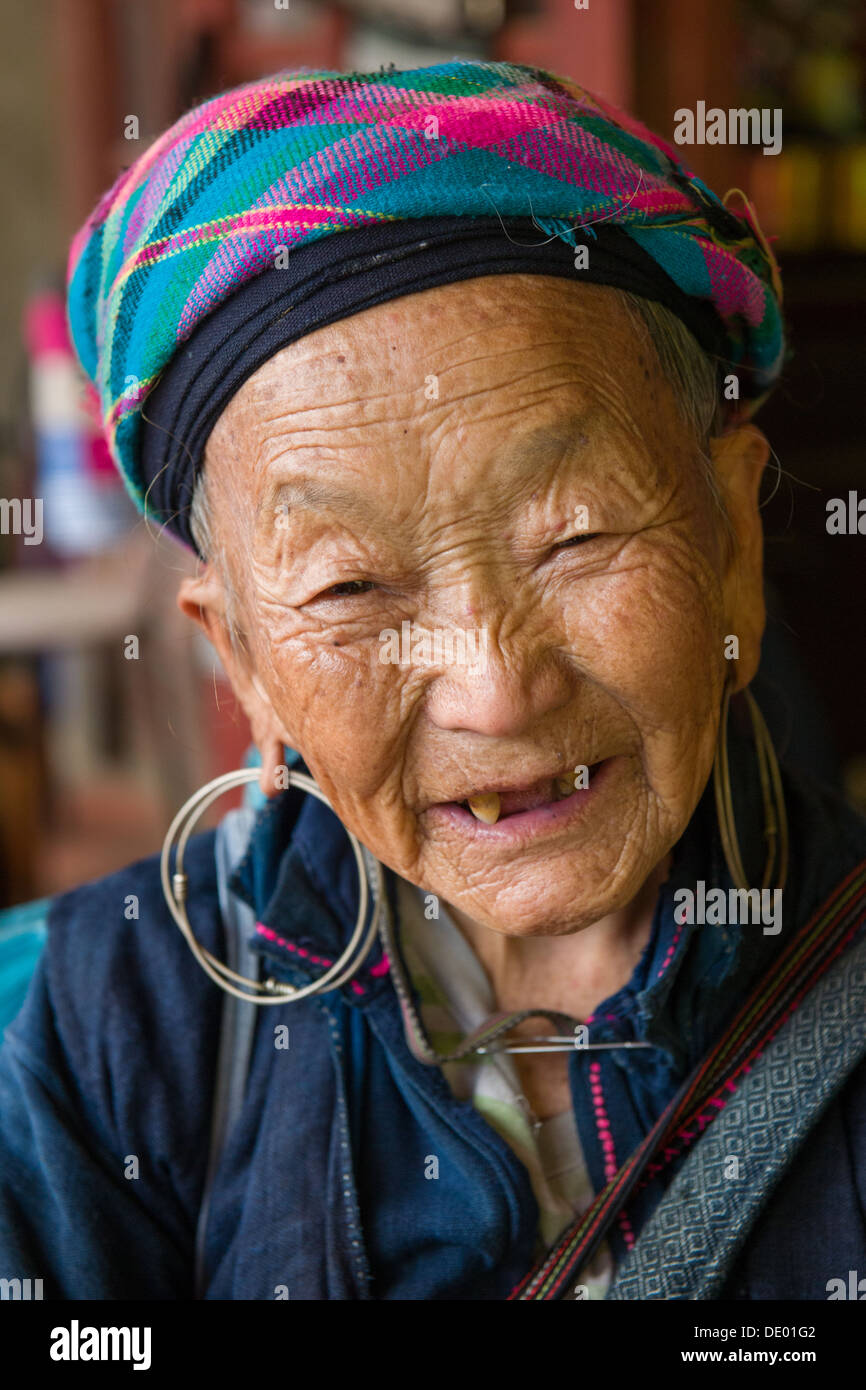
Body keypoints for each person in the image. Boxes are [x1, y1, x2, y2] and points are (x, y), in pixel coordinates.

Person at [1, 59, 864, 1302]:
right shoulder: (111, 1029)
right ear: (242, 656)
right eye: (351, 589)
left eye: (575, 535)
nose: (495, 691)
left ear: (728, 538)